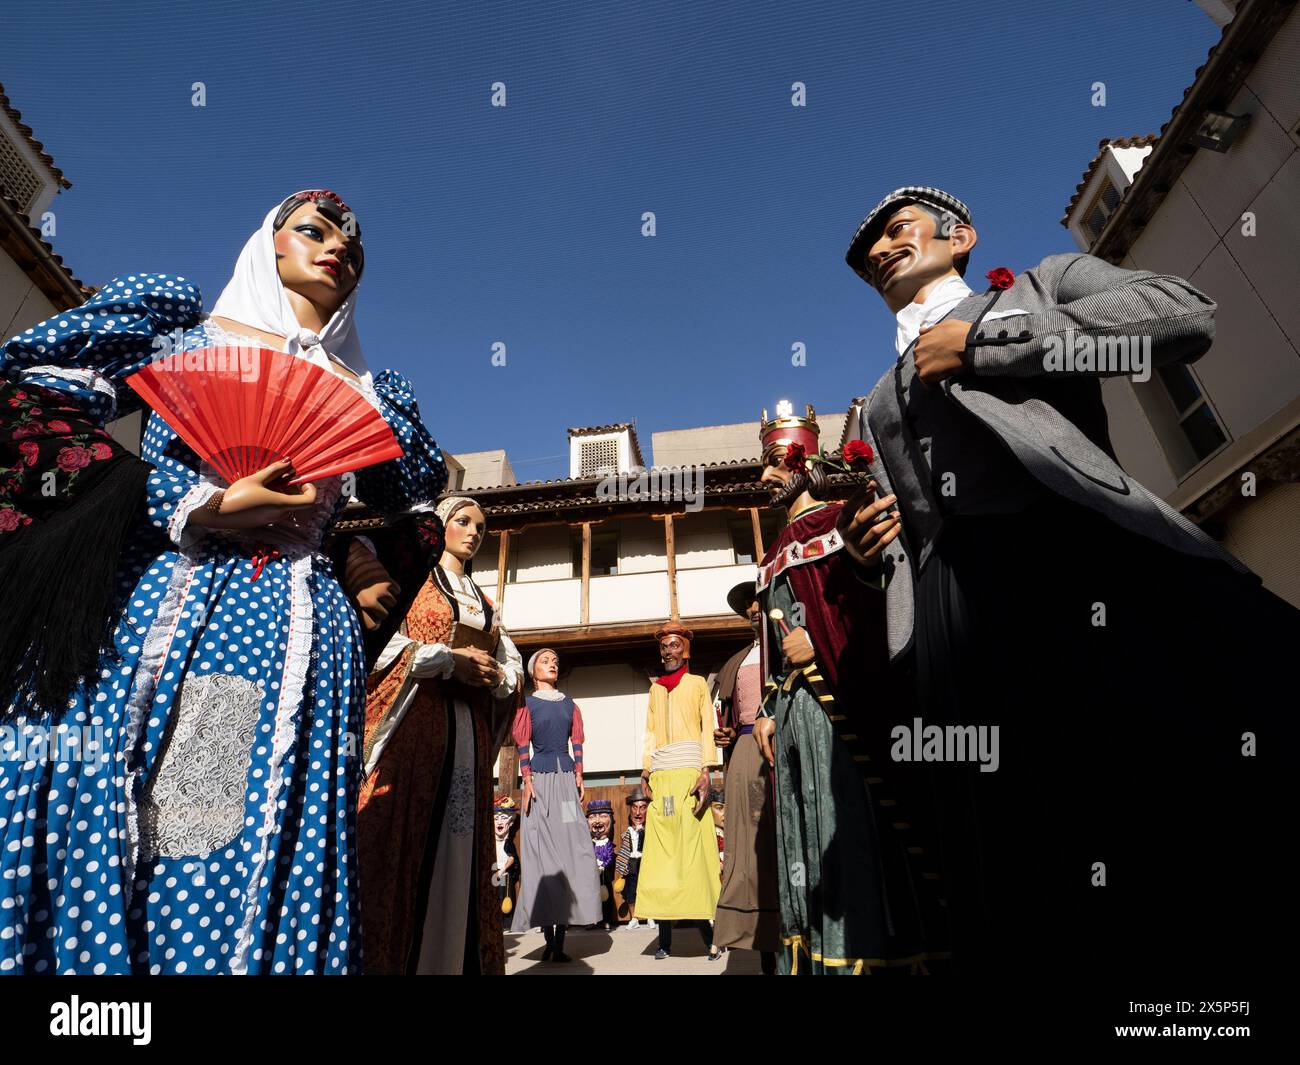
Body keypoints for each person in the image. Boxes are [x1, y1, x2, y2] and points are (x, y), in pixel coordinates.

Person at [839, 185, 1300, 973]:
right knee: (1012, 835)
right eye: (866, 252)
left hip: (1072, 559)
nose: (879, 250)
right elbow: (905, 524)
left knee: (1144, 782)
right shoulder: (875, 402)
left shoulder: (1044, 284)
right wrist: (865, 545)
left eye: (896, 229)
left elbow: (1182, 315)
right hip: (953, 615)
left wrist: (983, 346)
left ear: (962, 237)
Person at [0, 189, 447, 974]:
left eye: (354, 243)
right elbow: (28, 401)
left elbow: (412, 507)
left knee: (247, 830)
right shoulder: (182, 330)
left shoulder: (375, 393)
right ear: (267, 244)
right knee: (181, 824)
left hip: (301, 631)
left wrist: (356, 556)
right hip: (190, 606)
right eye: (312, 229)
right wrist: (197, 500)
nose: (338, 245)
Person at [751, 403, 945, 975]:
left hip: (837, 708)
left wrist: (818, 646)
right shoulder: (770, 554)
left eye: (772, 464)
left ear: (803, 462)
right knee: (800, 838)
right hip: (788, 710)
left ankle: (856, 955)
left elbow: (885, 600)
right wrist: (765, 706)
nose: (763, 477)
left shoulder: (841, 520)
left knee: (843, 830)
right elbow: (771, 637)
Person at [356, 496, 523, 974]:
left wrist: (497, 676)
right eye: (463, 521)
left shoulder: (485, 601)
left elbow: (511, 658)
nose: (473, 533)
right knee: (407, 839)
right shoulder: (414, 582)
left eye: (481, 528)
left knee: (462, 850)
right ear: (440, 526)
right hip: (416, 724)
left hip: (467, 733)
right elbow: (382, 642)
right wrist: (447, 660)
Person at [634, 623, 723, 962]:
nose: (667, 652)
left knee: (693, 855)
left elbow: (706, 728)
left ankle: (710, 934)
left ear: (685, 650)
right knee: (661, 857)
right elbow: (650, 732)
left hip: (688, 771)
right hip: (661, 774)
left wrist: (706, 770)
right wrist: (645, 769)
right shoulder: (656, 690)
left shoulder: (698, 683)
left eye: (673, 645)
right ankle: (664, 939)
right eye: (663, 647)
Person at [509, 647, 602, 960]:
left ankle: (559, 941)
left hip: (565, 783)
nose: (552, 665)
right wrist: (527, 778)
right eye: (546, 662)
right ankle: (549, 939)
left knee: (571, 853)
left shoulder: (569, 704)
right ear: (534, 671)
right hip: (540, 781)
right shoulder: (528, 703)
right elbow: (523, 742)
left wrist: (580, 773)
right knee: (542, 857)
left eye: (555, 662)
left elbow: (576, 741)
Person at [710, 580, 780, 973]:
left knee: (778, 834)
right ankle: (762, 938)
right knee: (751, 837)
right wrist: (728, 733)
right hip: (746, 751)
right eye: (748, 605)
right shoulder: (736, 660)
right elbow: (732, 718)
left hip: (784, 744)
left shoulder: (787, 644)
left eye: (760, 601)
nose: (754, 608)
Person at [614, 786, 653, 930]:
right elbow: (624, 850)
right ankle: (634, 917)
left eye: (642, 808)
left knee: (647, 889)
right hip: (631, 863)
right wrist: (622, 868)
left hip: (646, 862)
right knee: (630, 891)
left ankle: (650, 917)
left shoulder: (650, 832)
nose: (638, 812)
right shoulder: (627, 833)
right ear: (630, 811)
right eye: (635, 808)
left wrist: (642, 831)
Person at [586, 799, 618, 932]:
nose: (597, 821)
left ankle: (606, 920)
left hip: (604, 877)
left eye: (603, 816)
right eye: (593, 817)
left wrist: (603, 865)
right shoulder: (589, 845)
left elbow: (610, 857)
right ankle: (592, 920)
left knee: (606, 899)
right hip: (591, 878)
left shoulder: (607, 844)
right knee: (591, 899)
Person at [492, 795, 520, 927]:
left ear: (510, 822)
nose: (499, 822)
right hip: (493, 870)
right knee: (493, 896)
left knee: (504, 895)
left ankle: (506, 923)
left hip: (503, 873)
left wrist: (502, 870)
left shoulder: (508, 843)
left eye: (503, 818)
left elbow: (511, 858)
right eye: (496, 818)